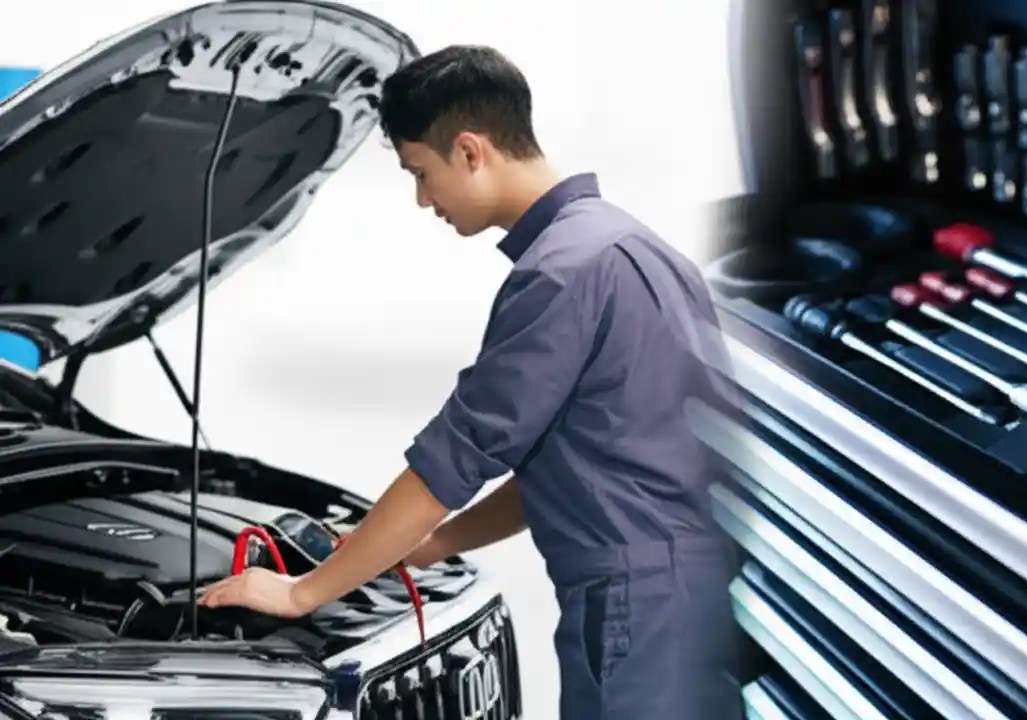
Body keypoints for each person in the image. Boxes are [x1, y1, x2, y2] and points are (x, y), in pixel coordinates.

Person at [197, 45, 743, 719]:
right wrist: (439, 543)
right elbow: (572, 465)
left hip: (634, 614)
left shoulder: (559, 275)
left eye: (420, 172)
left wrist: (300, 593)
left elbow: (451, 464)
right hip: (688, 600)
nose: (423, 199)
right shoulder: (635, 247)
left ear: (469, 150)